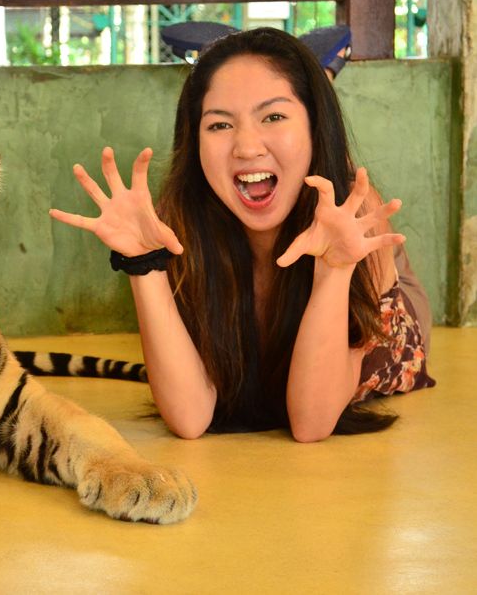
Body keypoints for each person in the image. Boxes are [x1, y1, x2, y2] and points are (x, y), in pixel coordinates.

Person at [50, 28, 434, 442]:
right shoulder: (175, 222)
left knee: (323, 170)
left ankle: (314, 75)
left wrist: (336, 269)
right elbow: (190, 418)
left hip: (378, 291)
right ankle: (252, 64)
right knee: (261, 107)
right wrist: (143, 264)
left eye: (274, 116)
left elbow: (310, 424)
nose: (246, 147)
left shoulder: (354, 215)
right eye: (219, 124)